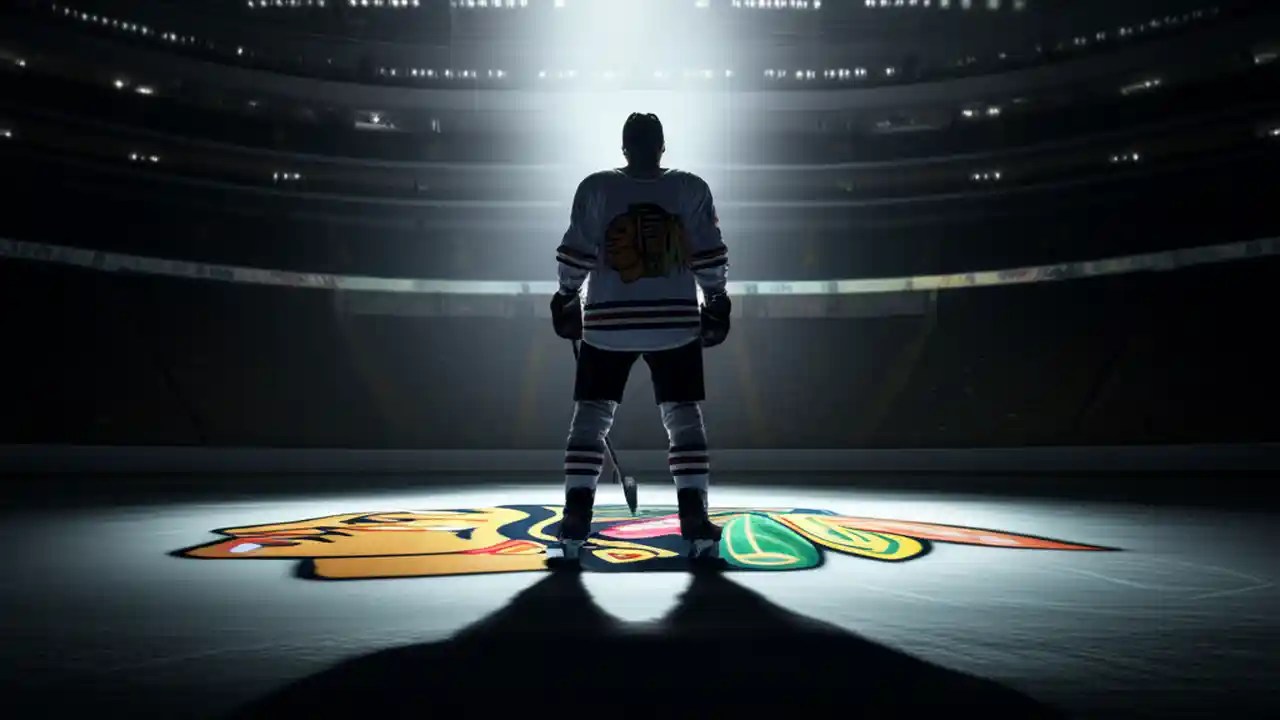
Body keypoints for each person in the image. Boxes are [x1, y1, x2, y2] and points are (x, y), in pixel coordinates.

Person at [548, 112, 731, 567]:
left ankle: (575, 518)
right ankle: (694, 518)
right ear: (662, 146)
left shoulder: (596, 187)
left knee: (591, 418)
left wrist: (567, 295)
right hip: (674, 322)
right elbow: (708, 252)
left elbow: (577, 250)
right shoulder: (691, 187)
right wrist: (717, 300)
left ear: (624, 148)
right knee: (683, 418)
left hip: (608, 323)